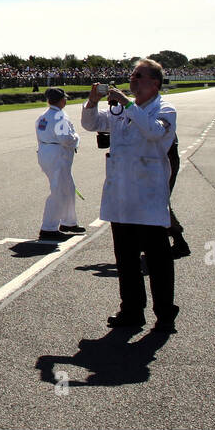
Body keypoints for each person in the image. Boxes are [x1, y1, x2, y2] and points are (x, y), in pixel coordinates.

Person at [80, 58, 180, 333]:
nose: (132, 79)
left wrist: (128, 105)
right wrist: (92, 102)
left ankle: (165, 314)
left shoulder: (165, 109)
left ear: (154, 83)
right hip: (121, 195)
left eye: (138, 76)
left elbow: (154, 132)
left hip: (147, 195)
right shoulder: (123, 110)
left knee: (158, 260)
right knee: (125, 258)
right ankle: (132, 310)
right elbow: (92, 124)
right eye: (132, 75)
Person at [34, 88, 81, 242]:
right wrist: (77, 138)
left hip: (46, 151)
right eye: (64, 98)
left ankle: (68, 222)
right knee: (59, 191)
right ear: (60, 100)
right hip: (57, 154)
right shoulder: (59, 116)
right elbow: (66, 138)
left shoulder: (44, 115)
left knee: (68, 187)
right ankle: (49, 227)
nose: (65, 101)